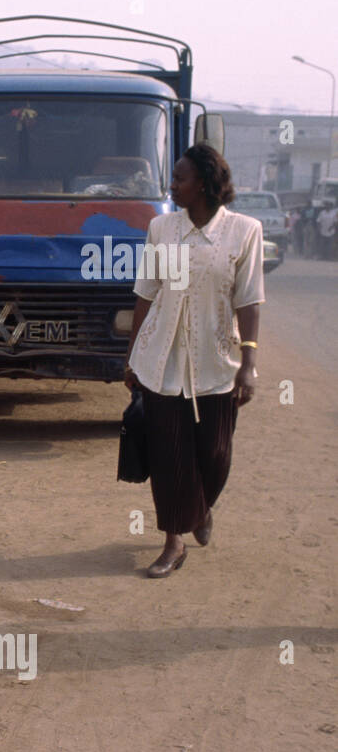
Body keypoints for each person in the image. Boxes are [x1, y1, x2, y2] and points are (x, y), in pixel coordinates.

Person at [124, 143, 264, 578]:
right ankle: (173, 543)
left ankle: (200, 507)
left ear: (202, 183)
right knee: (168, 457)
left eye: (180, 179)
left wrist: (249, 363)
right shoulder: (161, 229)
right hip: (161, 361)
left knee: (216, 453)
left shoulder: (244, 231)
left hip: (217, 362)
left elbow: (250, 300)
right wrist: (132, 357)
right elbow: (145, 294)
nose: (172, 186)